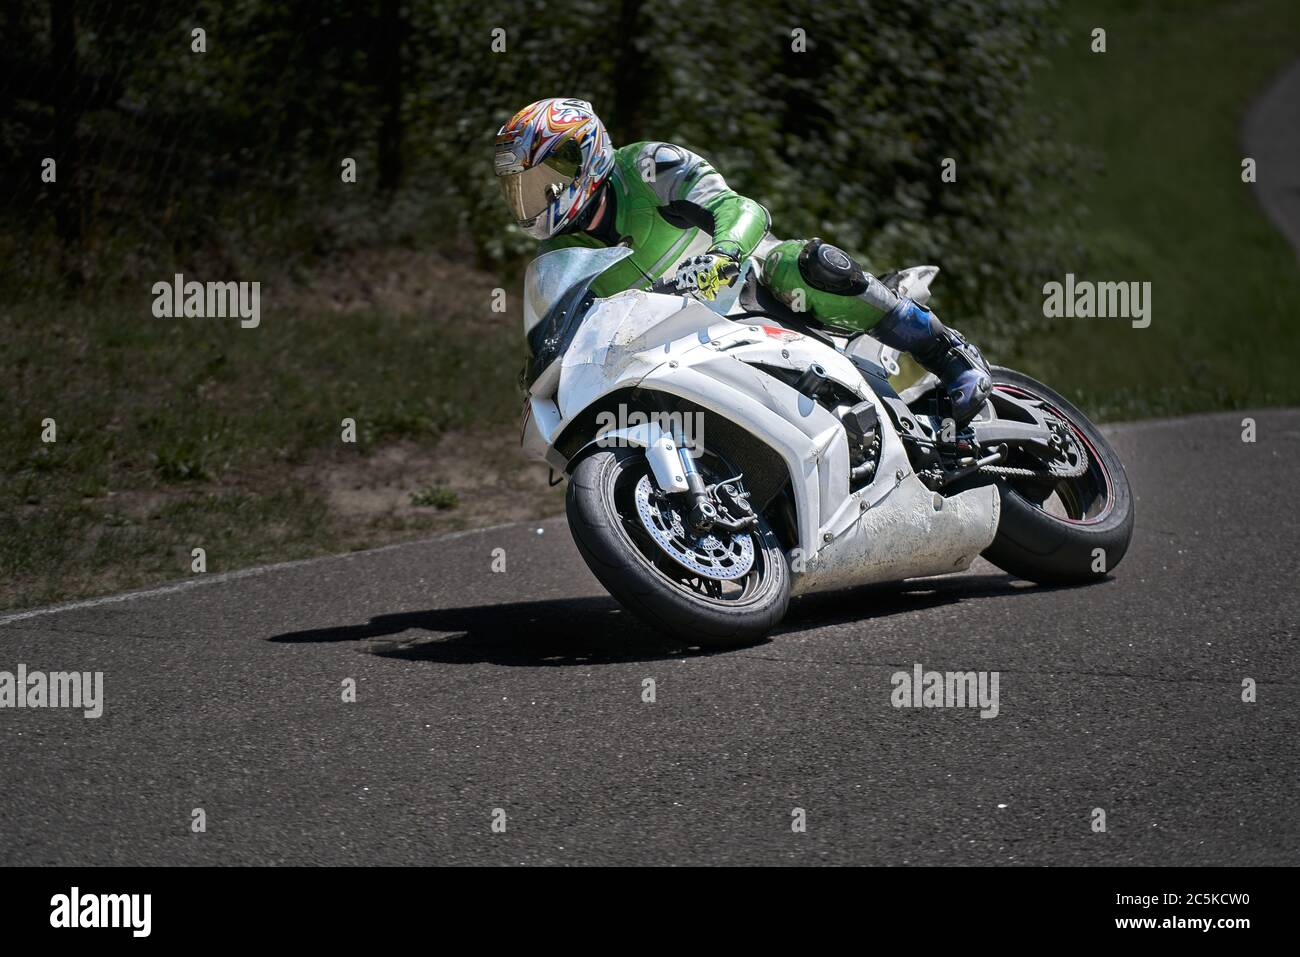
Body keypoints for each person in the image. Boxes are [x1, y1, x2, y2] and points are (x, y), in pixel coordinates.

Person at [493, 97, 991, 424]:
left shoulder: (647, 166)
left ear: (584, 156)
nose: (533, 199)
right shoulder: (559, 256)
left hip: (749, 293)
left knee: (807, 265)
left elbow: (739, 208)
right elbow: (565, 330)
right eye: (521, 189)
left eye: (542, 182)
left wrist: (725, 253)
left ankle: (946, 353)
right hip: (670, 345)